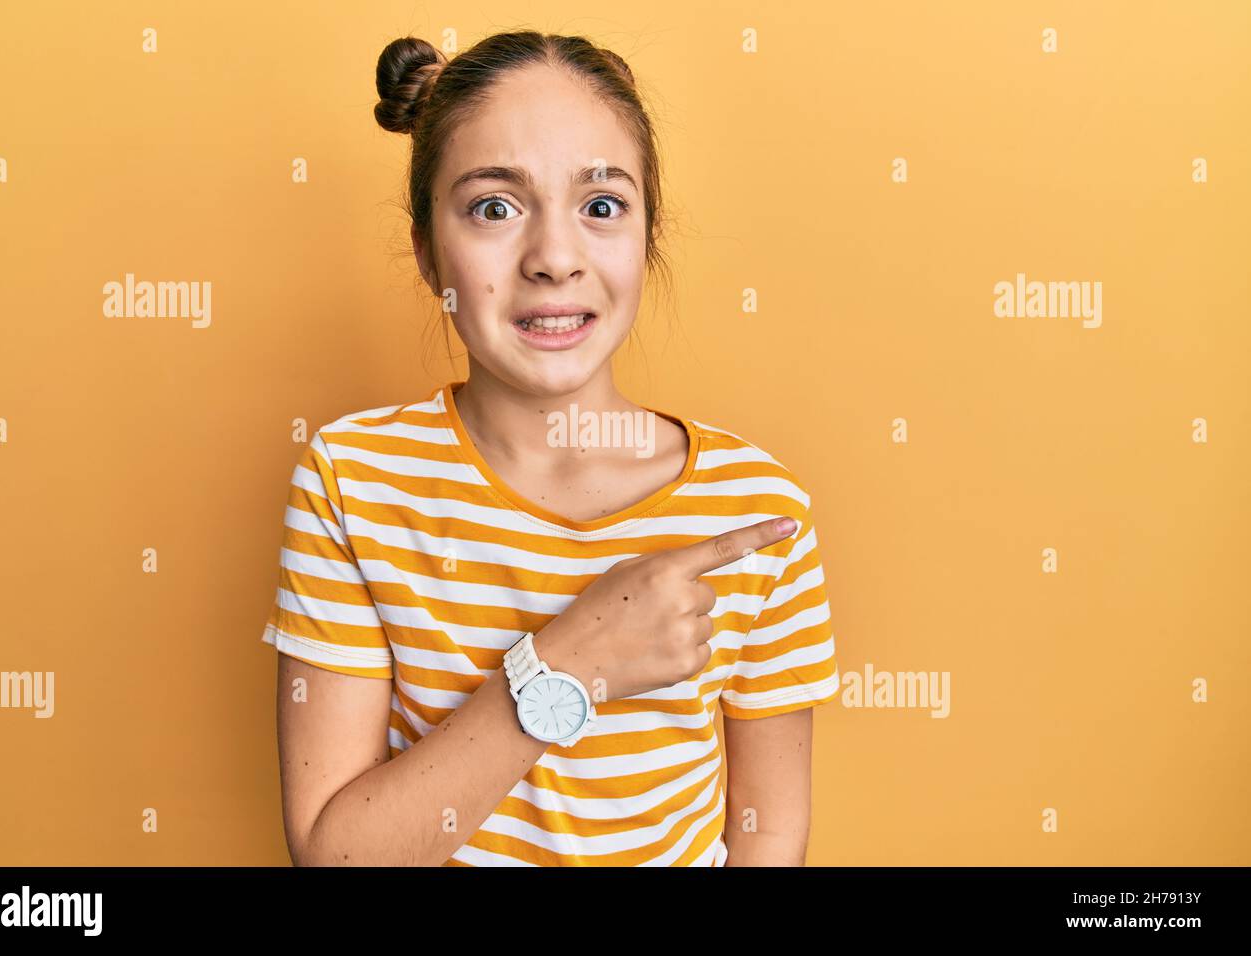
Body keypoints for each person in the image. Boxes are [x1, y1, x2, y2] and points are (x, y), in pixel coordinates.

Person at [260, 29, 840, 866]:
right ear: (427, 249)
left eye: (601, 205)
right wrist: (566, 663)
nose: (555, 259)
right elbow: (335, 855)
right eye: (494, 207)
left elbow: (770, 833)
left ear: (648, 236)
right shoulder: (351, 483)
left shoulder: (756, 513)